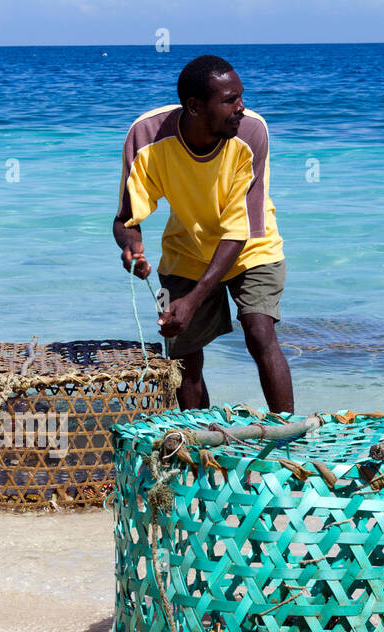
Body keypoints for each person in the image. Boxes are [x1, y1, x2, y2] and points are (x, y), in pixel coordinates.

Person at [113, 54, 294, 413]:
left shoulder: (252, 132)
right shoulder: (146, 136)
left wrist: (193, 301)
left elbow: (238, 232)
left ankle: (289, 436)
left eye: (241, 96)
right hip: (186, 250)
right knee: (182, 354)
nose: (241, 107)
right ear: (194, 107)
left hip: (252, 246)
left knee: (259, 332)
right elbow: (125, 220)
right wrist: (133, 248)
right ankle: (198, 442)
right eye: (229, 100)